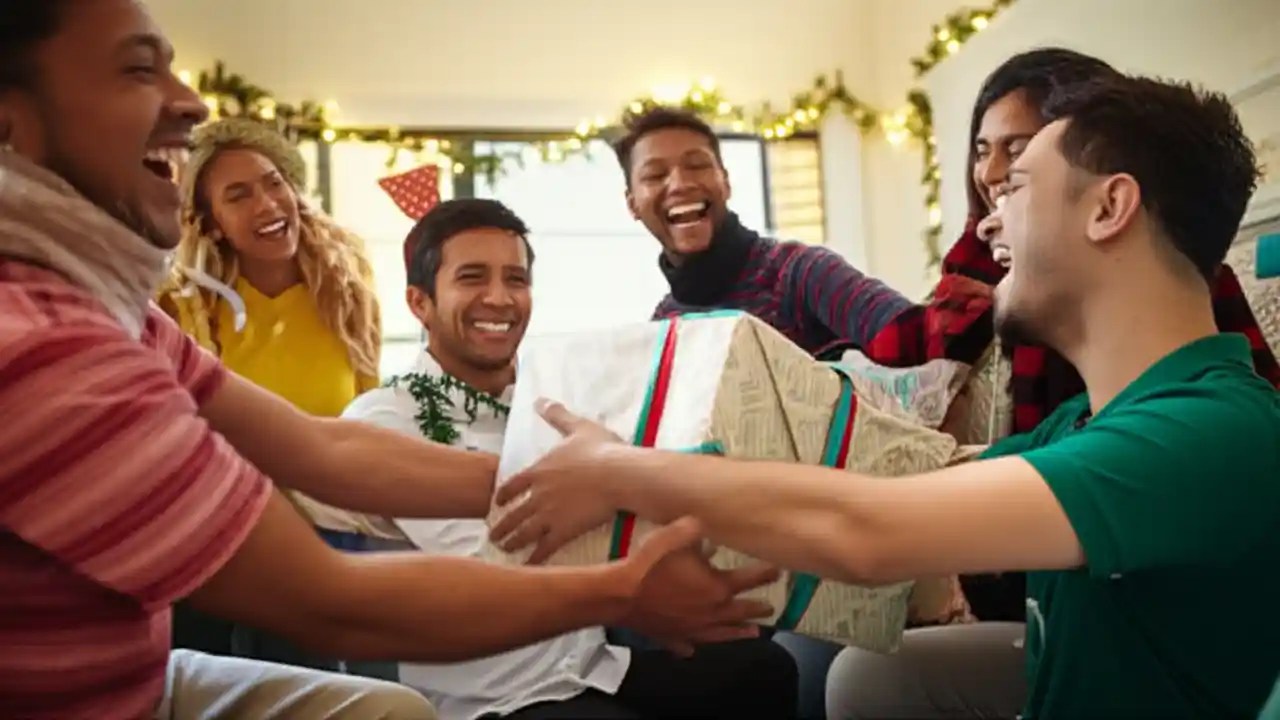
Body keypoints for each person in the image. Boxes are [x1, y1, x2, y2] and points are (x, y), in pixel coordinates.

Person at [0, 1, 778, 717]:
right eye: (139, 68)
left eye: (517, 277)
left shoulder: (118, 315)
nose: (193, 103)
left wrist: (603, 479)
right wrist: (621, 586)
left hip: (148, 669)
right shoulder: (47, 350)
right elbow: (334, 600)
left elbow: (321, 445)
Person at [491, 74, 1280, 719]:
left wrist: (625, 474)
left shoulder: (1205, 433)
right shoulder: (1089, 421)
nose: (991, 214)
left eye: (1020, 184)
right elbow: (887, 484)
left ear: (1110, 208)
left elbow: (867, 531)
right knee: (873, 681)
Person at [342, 197, 798, 720]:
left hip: (599, 664)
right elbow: (500, 558)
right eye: (472, 277)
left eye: (516, 279)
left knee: (763, 669)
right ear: (420, 303)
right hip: (498, 696)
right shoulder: (385, 418)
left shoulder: (553, 398)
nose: (499, 298)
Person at [157, 117, 403, 678]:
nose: (268, 203)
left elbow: (365, 410)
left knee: (321, 683)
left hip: (324, 531)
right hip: (217, 529)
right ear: (211, 223)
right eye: (238, 195)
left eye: (274, 183)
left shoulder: (344, 287)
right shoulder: (183, 306)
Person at [616, 106, 915, 358]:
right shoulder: (662, 327)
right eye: (655, 175)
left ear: (725, 182)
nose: (680, 183)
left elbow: (907, 334)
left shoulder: (799, 272)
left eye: (697, 165)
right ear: (633, 205)